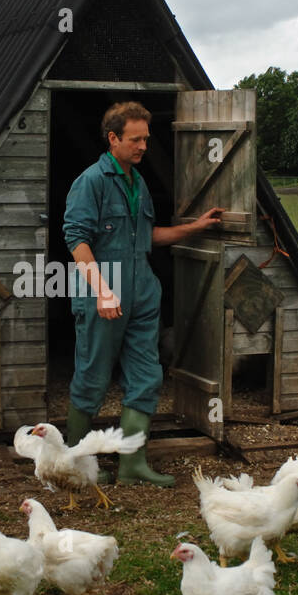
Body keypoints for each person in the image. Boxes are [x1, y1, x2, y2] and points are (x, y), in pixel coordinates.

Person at [62, 101, 223, 486]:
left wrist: (193, 228)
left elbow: (147, 236)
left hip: (142, 294)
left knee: (146, 375)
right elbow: (76, 239)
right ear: (113, 138)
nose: (143, 146)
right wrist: (102, 292)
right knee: (92, 377)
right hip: (103, 294)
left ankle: (133, 464)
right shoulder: (91, 182)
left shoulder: (137, 181)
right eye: (135, 139)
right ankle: (76, 465)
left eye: (146, 139)